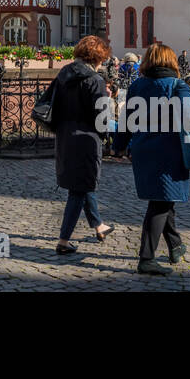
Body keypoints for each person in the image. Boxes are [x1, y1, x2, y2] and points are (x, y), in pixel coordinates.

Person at [126, 42, 190, 276]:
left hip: (142, 150)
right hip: (169, 153)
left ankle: (175, 245)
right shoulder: (178, 86)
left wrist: (117, 147)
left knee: (166, 199)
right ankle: (146, 258)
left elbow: (127, 121)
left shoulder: (136, 86)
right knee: (160, 202)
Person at [49, 35, 115, 254]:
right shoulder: (95, 80)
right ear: (98, 56)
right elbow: (101, 117)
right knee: (79, 190)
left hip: (65, 135)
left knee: (81, 185)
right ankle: (64, 241)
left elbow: (53, 106)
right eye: (103, 58)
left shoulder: (63, 74)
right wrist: (106, 135)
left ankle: (98, 225)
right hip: (86, 138)